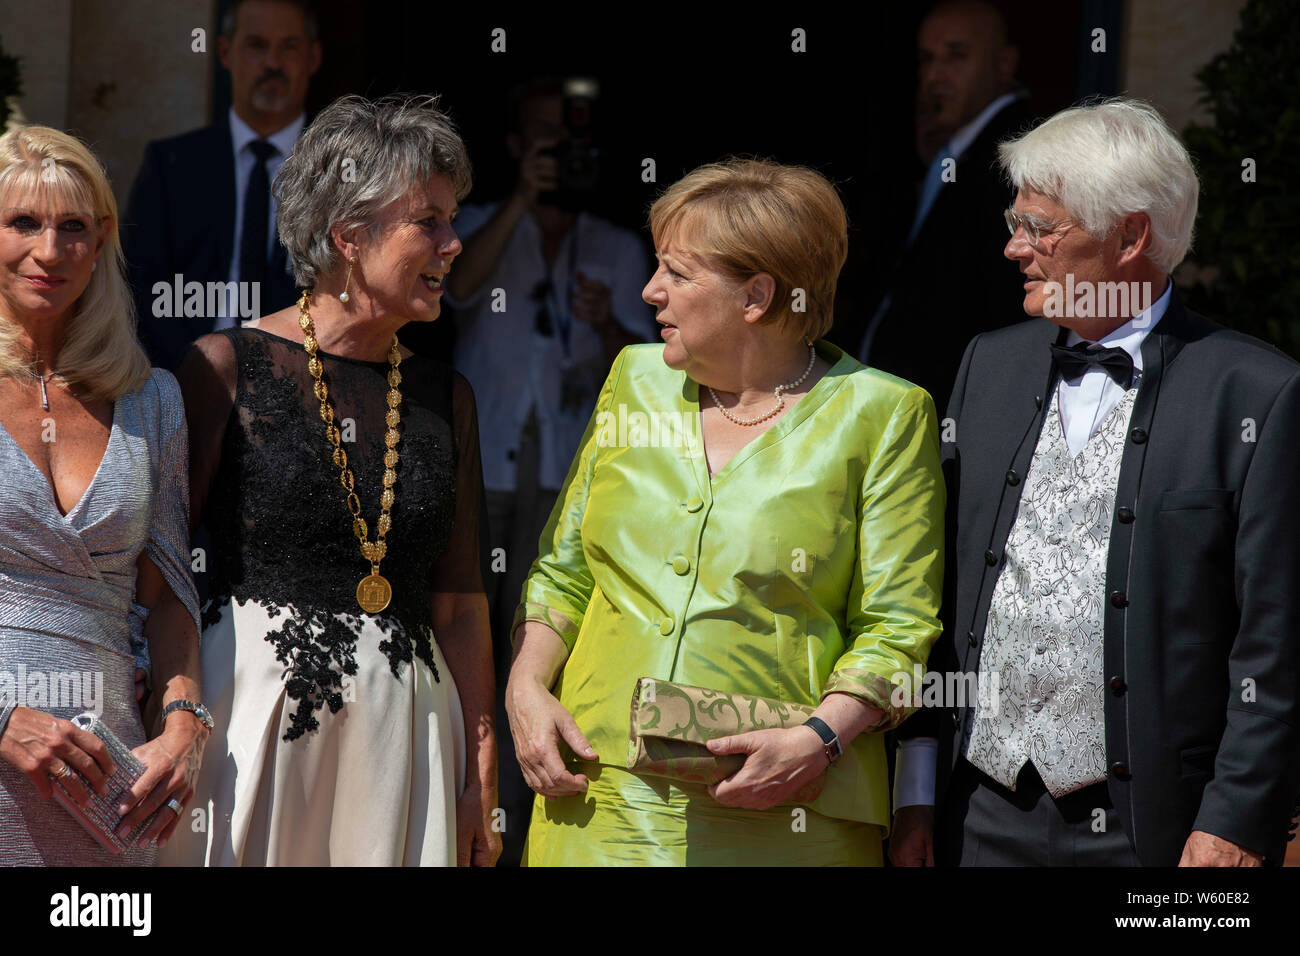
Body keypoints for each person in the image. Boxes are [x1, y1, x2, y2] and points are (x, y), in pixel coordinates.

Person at [892, 98, 1300, 867]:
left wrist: (1238, 820)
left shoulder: (1256, 393)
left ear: (1131, 236)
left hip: (1159, 831)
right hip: (977, 813)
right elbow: (931, 594)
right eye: (1014, 225)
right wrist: (916, 785)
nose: (1016, 249)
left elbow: (1275, 644)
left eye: (1040, 229)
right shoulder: (987, 365)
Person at [505, 158, 945, 866]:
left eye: (677, 274)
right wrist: (526, 685)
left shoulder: (885, 414)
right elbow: (564, 570)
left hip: (786, 804)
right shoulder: (634, 381)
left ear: (756, 295)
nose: (650, 292)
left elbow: (898, 628)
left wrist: (819, 740)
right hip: (594, 798)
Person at [160, 94, 499, 867]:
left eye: (453, 220)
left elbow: (460, 604)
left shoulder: (448, 397)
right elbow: (162, 575)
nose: (453, 245)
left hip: (405, 740)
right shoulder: (222, 369)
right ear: (350, 235)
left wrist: (481, 764)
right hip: (248, 724)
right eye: (429, 222)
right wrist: (171, 710)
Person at [444, 76, 654, 864]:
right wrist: (523, 203)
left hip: (571, 468)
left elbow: (648, 373)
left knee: (549, 635)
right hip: (490, 453)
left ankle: (542, 804)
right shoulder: (471, 226)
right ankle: (474, 795)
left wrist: (606, 327)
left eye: (566, 145)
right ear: (512, 148)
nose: (556, 158)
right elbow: (458, 289)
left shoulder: (620, 245)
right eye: (540, 142)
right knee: (477, 624)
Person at [0, 125, 207, 865]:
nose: (49, 252)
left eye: (72, 227)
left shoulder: (154, 400)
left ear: (101, 240)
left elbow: (172, 593)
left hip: (107, 787)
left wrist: (183, 720)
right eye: (23, 222)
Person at [124, 0, 321, 371]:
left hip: (306, 385)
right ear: (224, 52)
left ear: (313, 57)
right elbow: (137, 284)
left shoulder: (341, 172)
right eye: (256, 45)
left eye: (289, 47)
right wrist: (194, 375)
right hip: (183, 381)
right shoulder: (171, 165)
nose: (273, 63)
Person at [858, 0, 1031, 412]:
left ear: (1004, 63)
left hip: (955, 403)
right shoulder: (947, 149)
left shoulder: (1014, 153)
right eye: (926, 60)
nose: (935, 75)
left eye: (956, 56)